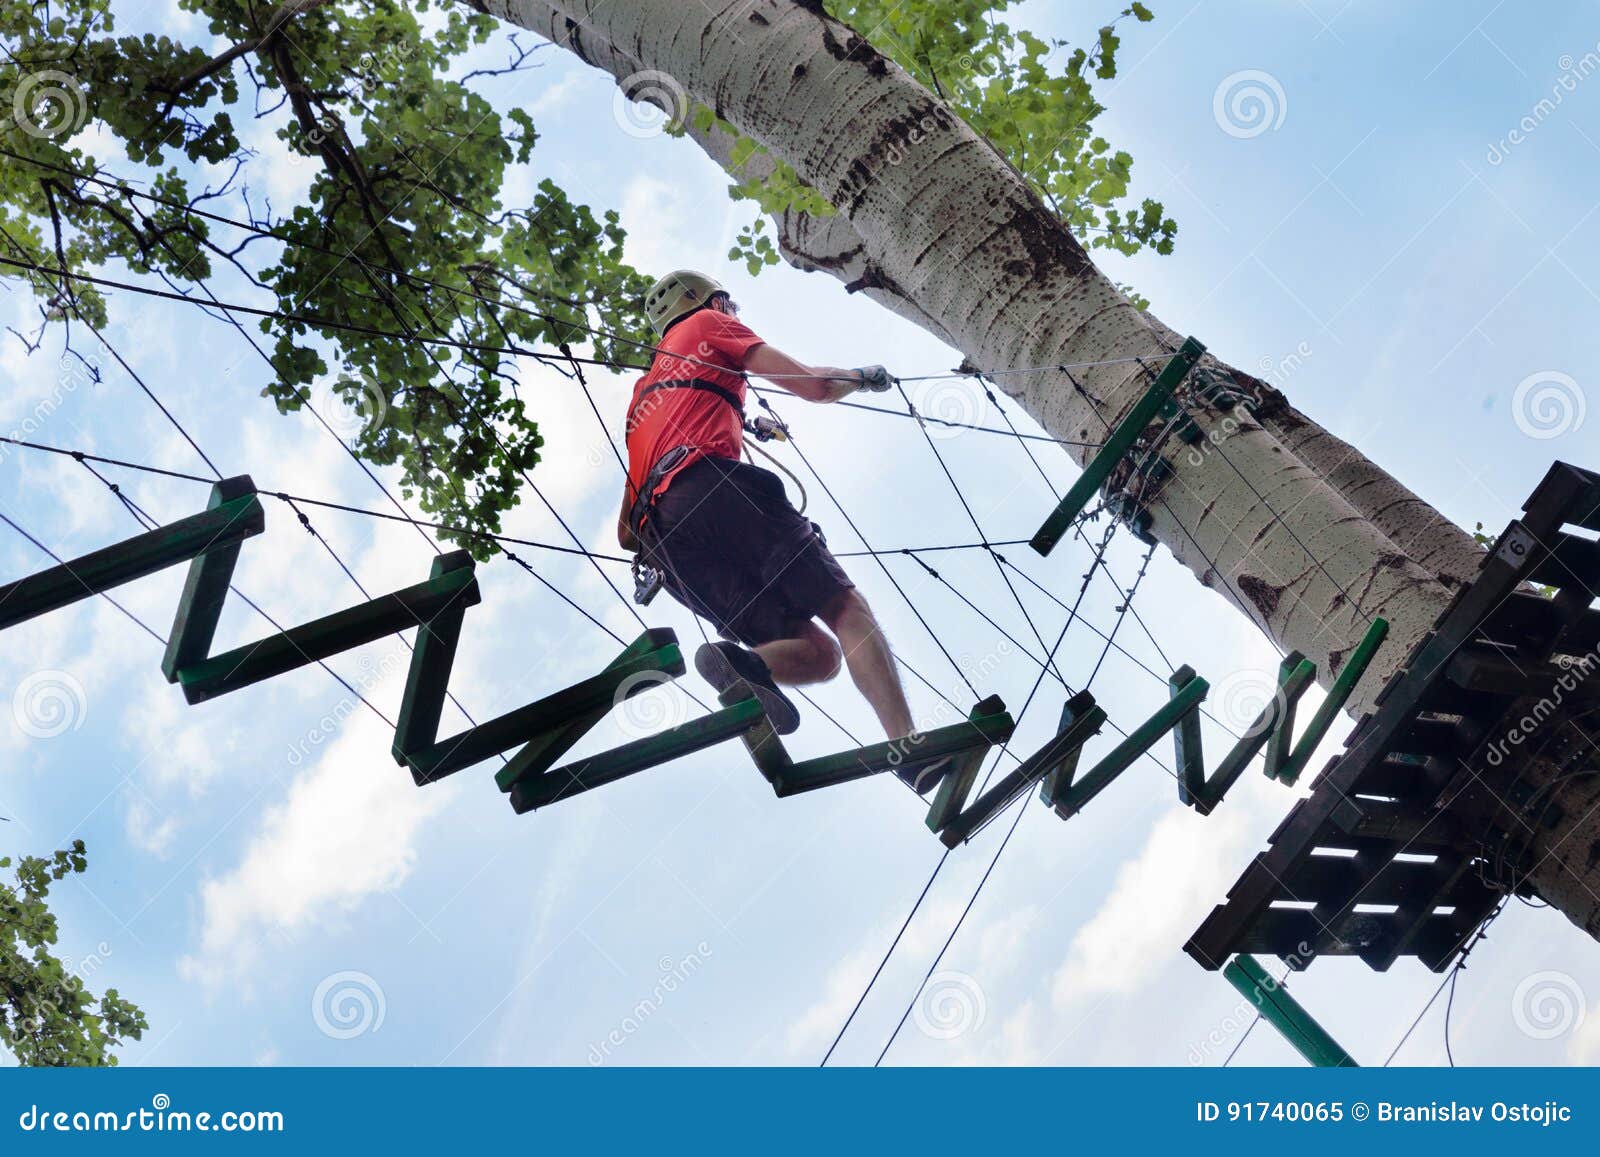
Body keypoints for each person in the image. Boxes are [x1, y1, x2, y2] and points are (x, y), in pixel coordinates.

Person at [620, 269, 936, 790]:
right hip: (714, 491)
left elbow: (624, 533)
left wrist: (734, 425)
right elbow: (814, 385)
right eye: (733, 305)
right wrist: (862, 377)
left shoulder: (641, 397)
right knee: (845, 608)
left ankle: (742, 664)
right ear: (711, 300)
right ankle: (910, 751)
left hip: (666, 547)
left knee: (820, 655)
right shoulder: (707, 322)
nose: (736, 314)